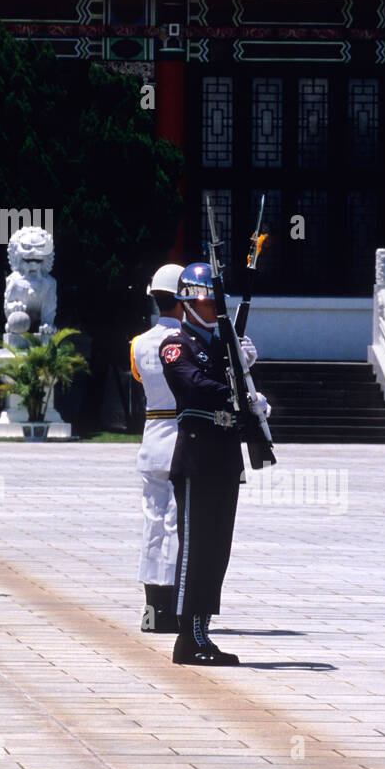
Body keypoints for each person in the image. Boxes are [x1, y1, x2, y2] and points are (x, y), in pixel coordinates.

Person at [158, 261, 266, 666]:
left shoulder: (225, 345)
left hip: (224, 458)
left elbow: (236, 385)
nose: (210, 309)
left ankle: (202, 633)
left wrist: (246, 372)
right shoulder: (176, 344)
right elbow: (193, 385)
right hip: (196, 458)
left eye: (213, 302)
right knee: (195, 549)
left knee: (217, 550)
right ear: (186, 303)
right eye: (204, 302)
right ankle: (186, 638)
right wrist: (236, 393)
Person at [130, 264, 184, 633]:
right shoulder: (191, 341)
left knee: (152, 524)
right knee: (177, 526)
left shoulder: (139, 343)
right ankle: (173, 609)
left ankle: (151, 610)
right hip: (183, 439)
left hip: (152, 438)